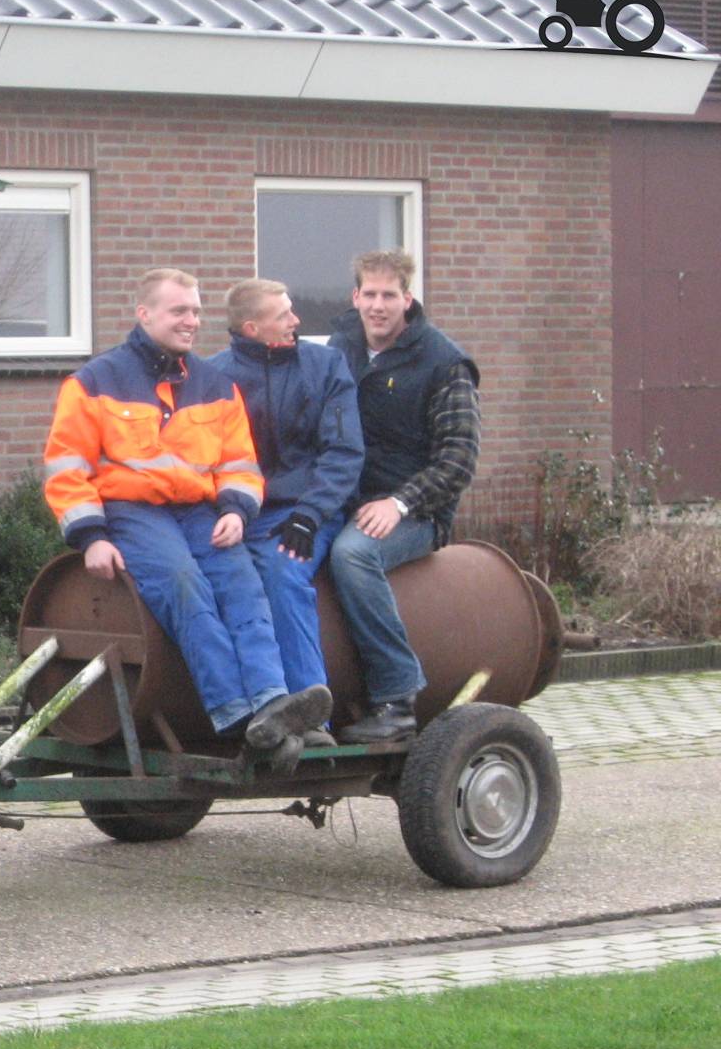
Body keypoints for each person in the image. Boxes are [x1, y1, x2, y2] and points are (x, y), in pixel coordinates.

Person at [43, 268, 331, 753]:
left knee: (243, 585)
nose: (191, 321)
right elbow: (67, 469)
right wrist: (91, 537)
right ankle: (235, 712)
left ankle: (272, 701)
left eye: (196, 311)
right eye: (179, 311)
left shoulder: (215, 385)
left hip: (201, 513)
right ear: (144, 313)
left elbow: (240, 464)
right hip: (130, 512)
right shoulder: (93, 382)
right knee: (184, 585)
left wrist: (236, 510)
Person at [326, 250, 481, 743]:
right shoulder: (340, 347)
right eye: (369, 294)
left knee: (352, 554)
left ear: (408, 299)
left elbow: (458, 460)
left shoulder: (445, 363)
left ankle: (397, 697)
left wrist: (399, 504)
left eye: (389, 295)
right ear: (355, 297)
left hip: (416, 511)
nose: (378, 306)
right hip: (343, 497)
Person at [206, 279, 364, 746]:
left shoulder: (326, 366)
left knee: (282, 573)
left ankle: (310, 718)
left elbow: (344, 452)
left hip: (308, 511)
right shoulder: (213, 378)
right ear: (252, 328)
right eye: (283, 315)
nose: (296, 321)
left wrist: (309, 515)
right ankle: (241, 712)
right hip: (242, 513)